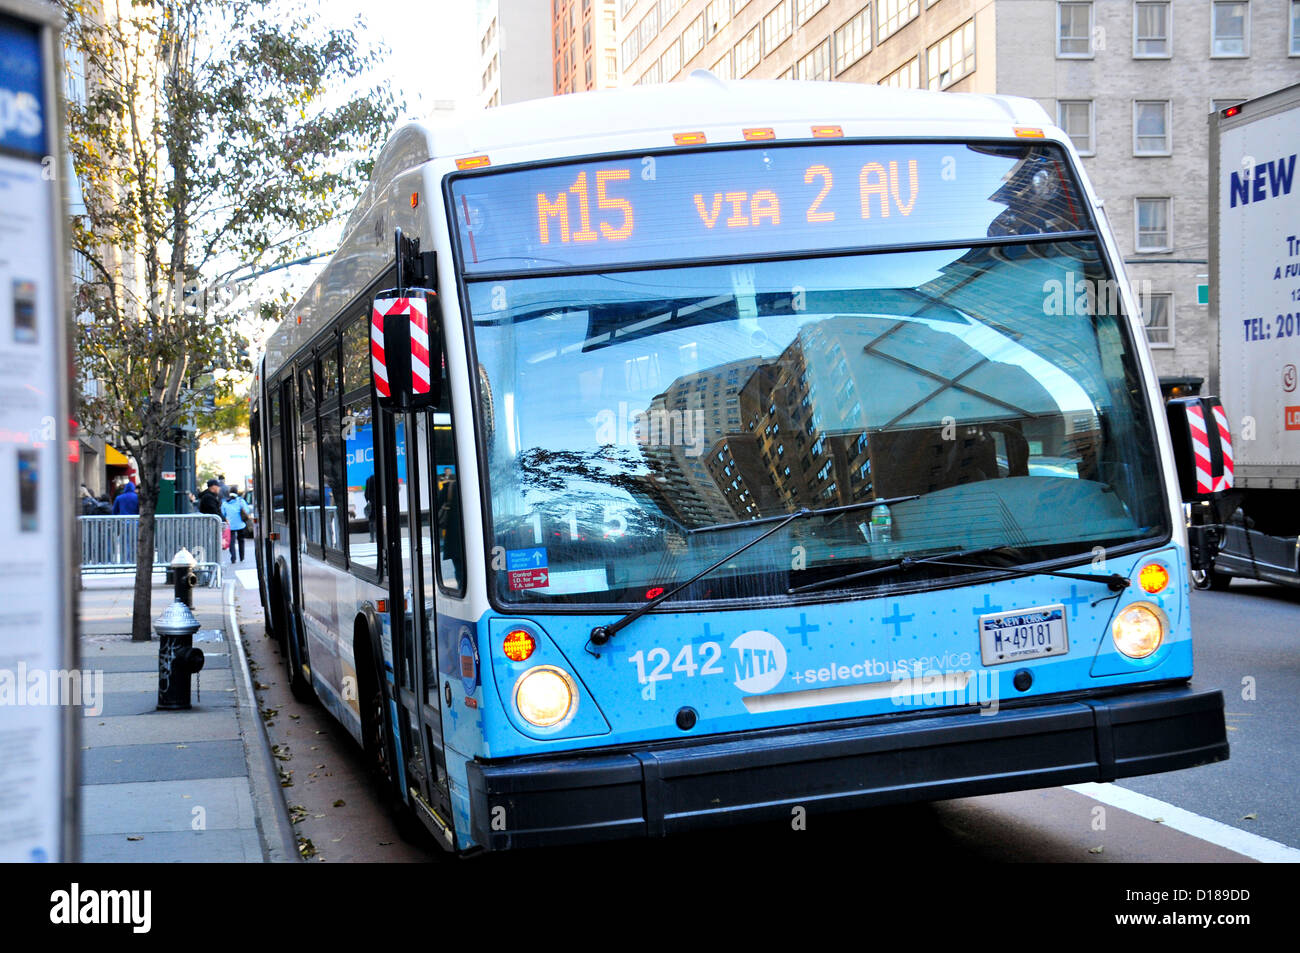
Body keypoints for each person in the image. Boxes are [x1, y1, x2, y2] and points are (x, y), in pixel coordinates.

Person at [222, 488, 255, 564]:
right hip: (241, 524)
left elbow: (223, 513)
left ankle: (233, 558)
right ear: (237, 492)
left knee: (232, 541)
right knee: (241, 540)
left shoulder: (225, 502)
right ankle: (242, 557)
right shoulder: (240, 501)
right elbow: (247, 511)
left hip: (230, 525)